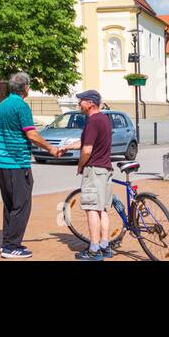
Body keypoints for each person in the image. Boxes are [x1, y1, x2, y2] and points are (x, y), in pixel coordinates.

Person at [0, 71, 62, 258]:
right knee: (22, 205)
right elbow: (31, 134)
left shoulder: (1, 106)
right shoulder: (21, 107)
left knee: (9, 205)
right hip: (17, 163)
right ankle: (11, 246)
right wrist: (51, 148)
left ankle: (7, 242)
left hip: (2, 162)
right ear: (25, 88)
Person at [73, 89, 113, 261]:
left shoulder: (92, 121)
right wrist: (66, 147)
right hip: (105, 169)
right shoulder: (104, 119)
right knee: (102, 208)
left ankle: (94, 250)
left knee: (91, 209)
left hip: (94, 170)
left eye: (81, 101)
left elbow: (87, 150)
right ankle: (104, 245)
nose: (79, 104)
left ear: (90, 103)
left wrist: (80, 165)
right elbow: (85, 143)